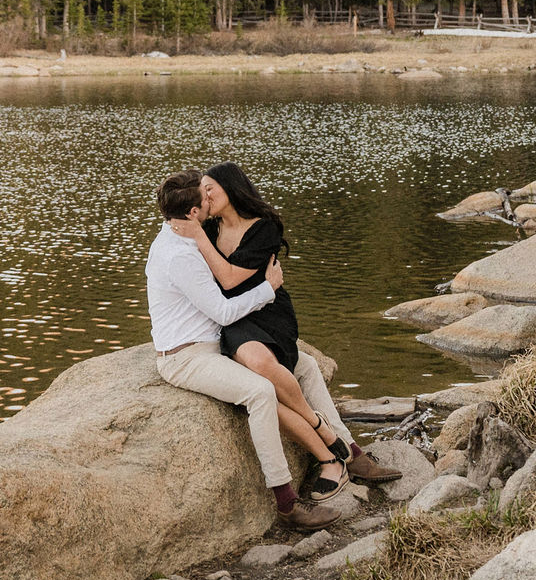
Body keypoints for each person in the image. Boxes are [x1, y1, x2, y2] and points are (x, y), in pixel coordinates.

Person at [169, 162, 401, 502]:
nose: (204, 197)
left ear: (231, 188)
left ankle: (345, 449)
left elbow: (231, 278)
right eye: (201, 191)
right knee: (263, 364)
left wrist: (199, 237)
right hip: (235, 319)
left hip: (269, 313)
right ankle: (334, 440)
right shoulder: (211, 227)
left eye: (209, 188)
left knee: (295, 365)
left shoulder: (264, 228)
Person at [145, 172, 344, 531]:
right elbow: (222, 310)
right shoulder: (180, 256)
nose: (211, 200)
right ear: (193, 212)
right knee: (260, 392)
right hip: (187, 357)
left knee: (303, 364)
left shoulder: (186, 237)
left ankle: (344, 450)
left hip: (212, 345)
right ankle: (287, 505)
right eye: (205, 198)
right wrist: (269, 287)